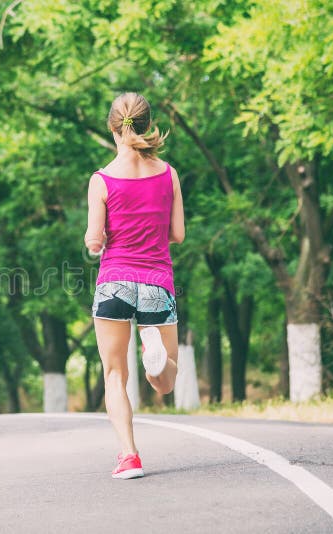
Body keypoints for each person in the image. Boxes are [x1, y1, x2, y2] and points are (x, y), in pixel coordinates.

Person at [84, 92, 185, 479]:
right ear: (146, 125)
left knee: (114, 376)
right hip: (157, 283)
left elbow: (95, 239)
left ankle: (129, 456)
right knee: (164, 383)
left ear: (113, 128)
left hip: (114, 284)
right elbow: (177, 233)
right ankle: (154, 353)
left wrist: (96, 239)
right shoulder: (168, 173)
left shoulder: (101, 180)